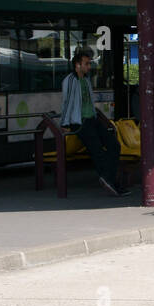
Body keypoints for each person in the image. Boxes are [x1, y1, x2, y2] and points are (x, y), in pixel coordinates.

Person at [61, 47, 129, 197]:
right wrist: (64, 124)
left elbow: (89, 102)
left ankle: (108, 179)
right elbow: (67, 103)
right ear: (77, 65)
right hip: (80, 122)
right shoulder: (70, 81)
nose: (89, 67)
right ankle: (111, 182)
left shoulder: (85, 80)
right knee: (98, 151)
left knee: (114, 145)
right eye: (86, 64)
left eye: (89, 63)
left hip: (92, 118)